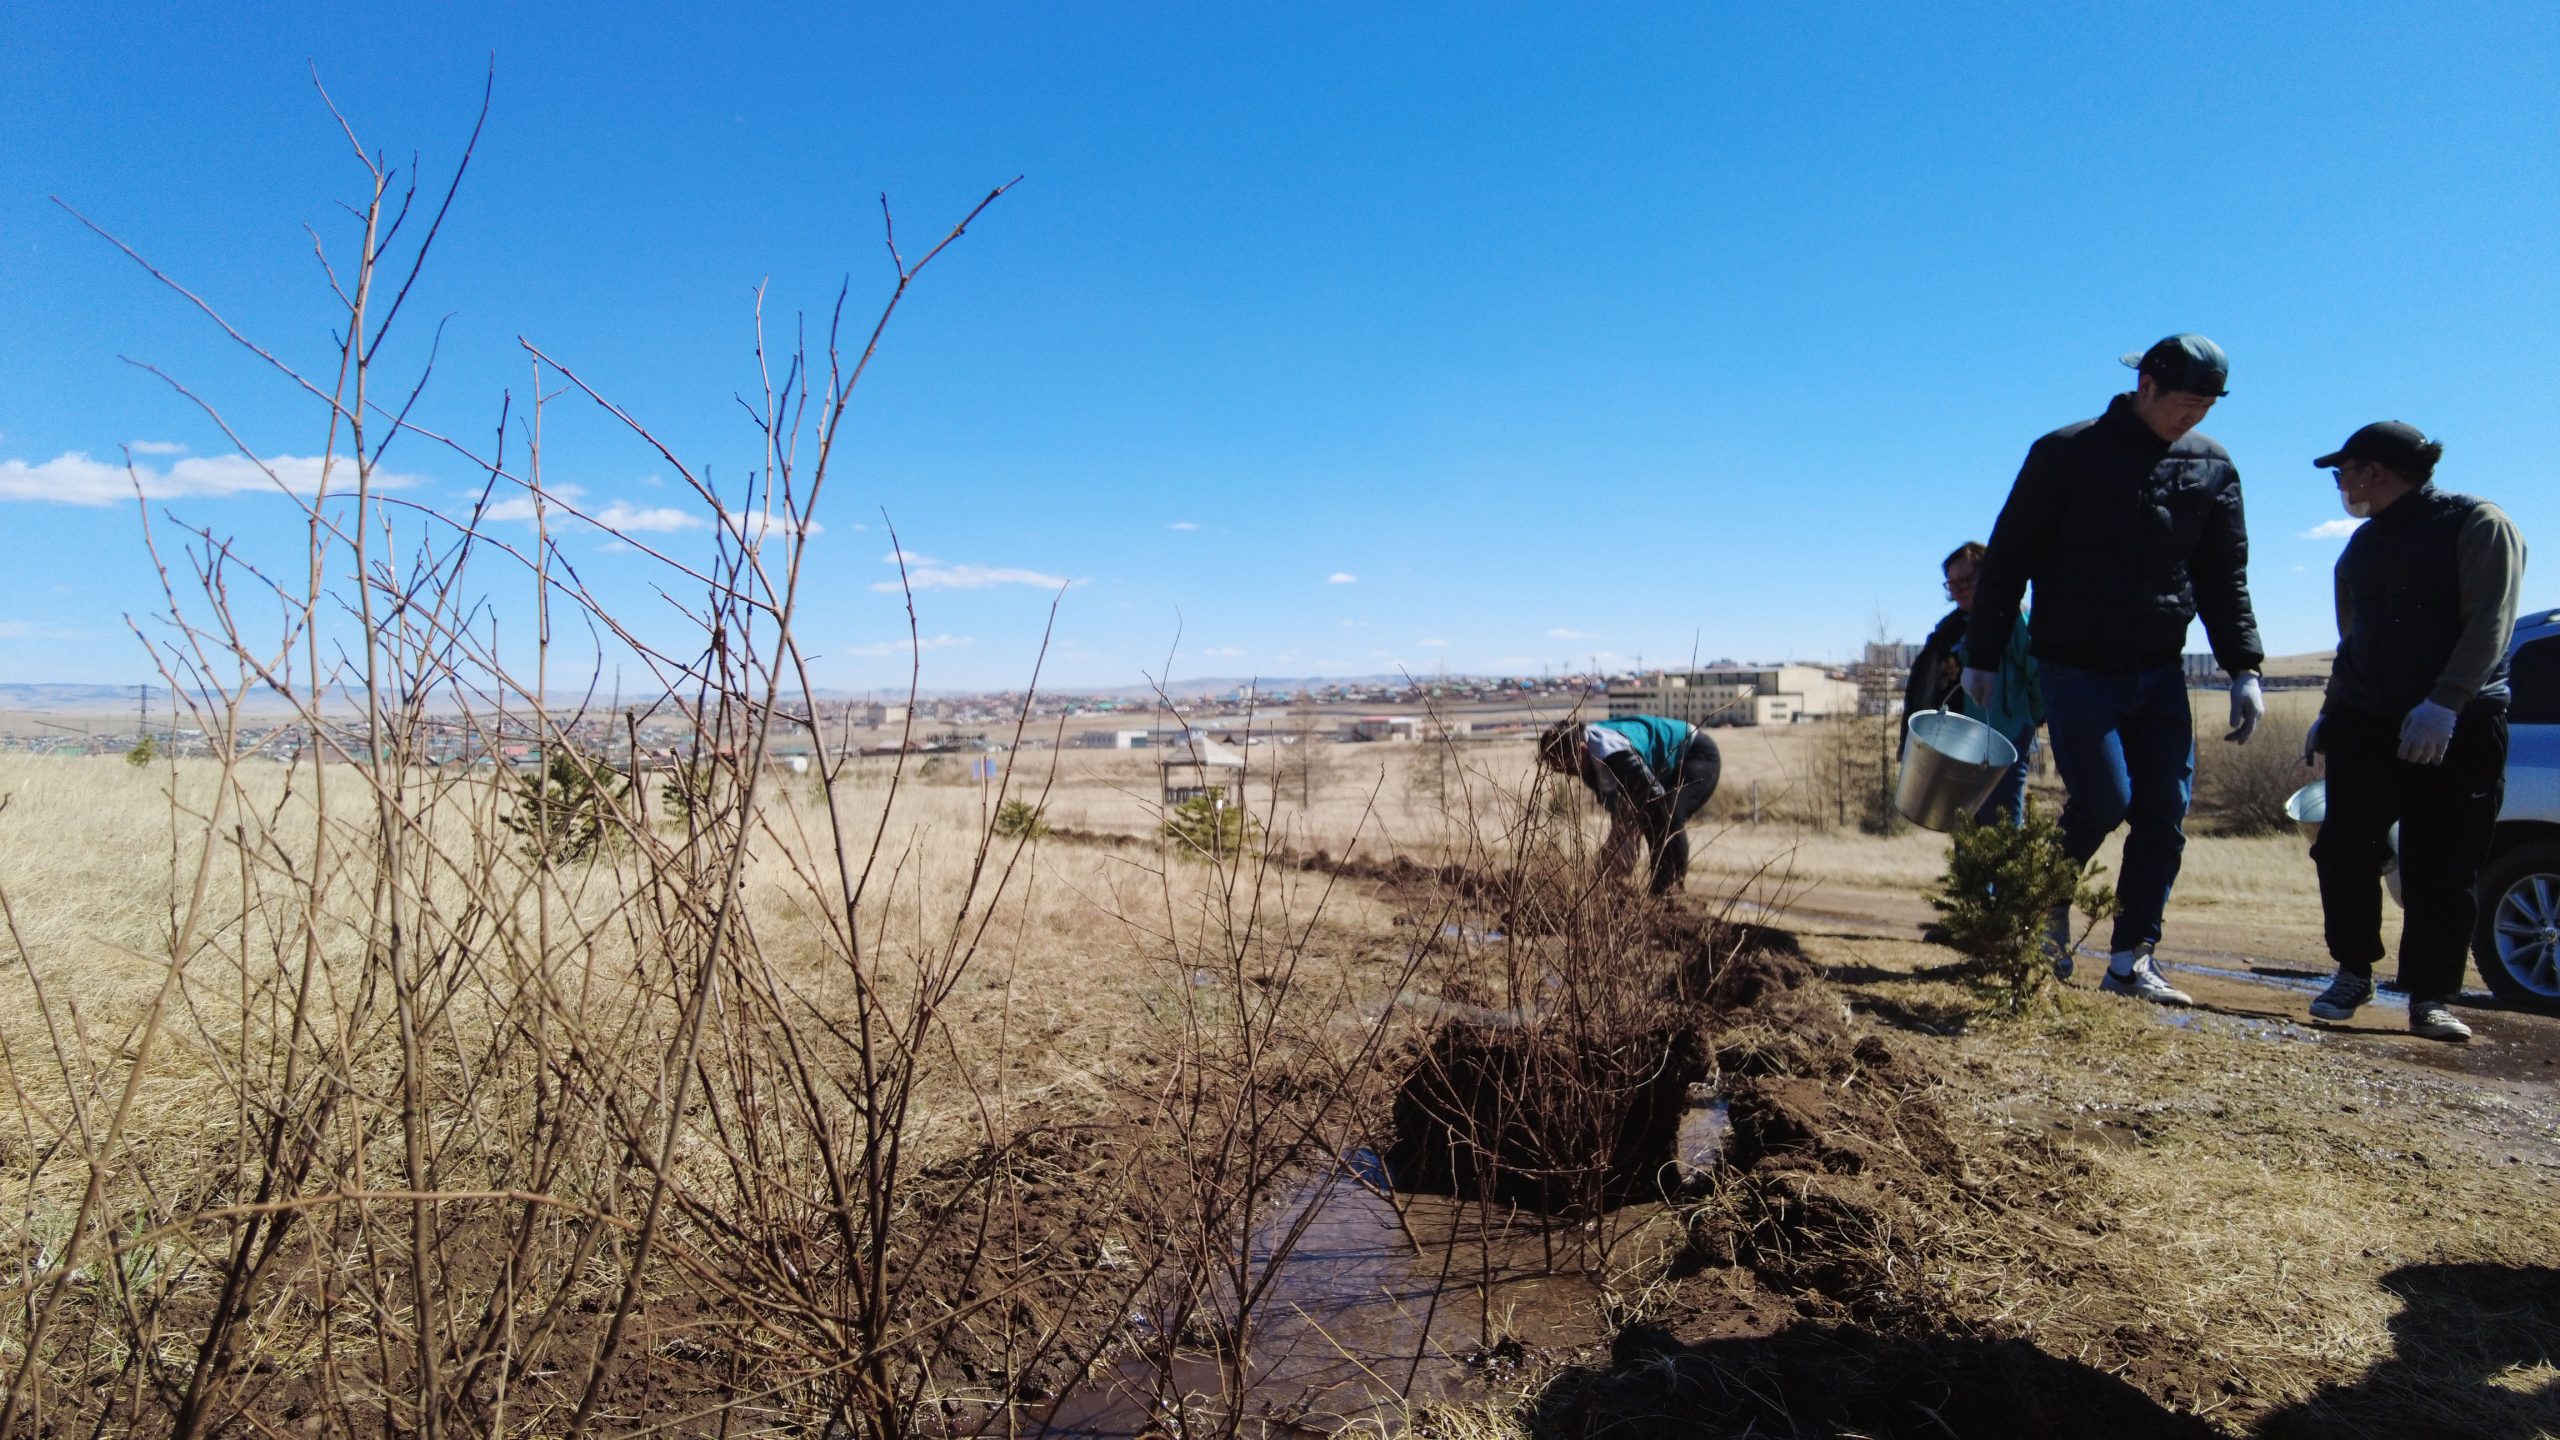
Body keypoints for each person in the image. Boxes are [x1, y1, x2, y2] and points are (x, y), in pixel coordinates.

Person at [1966, 334, 2266, 1003]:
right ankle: (2043, 903)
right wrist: (1981, 655)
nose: (2192, 417)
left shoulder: (2212, 466)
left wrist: (2244, 666)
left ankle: (2132, 959)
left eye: (2206, 407)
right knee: (2105, 798)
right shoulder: (2066, 453)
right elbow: (2008, 559)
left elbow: (2224, 576)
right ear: (2145, 387)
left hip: (2159, 667)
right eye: (2184, 403)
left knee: (2165, 812)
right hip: (2074, 664)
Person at [2301, 422, 2525, 1043]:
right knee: (2344, 847)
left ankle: (2430, 997)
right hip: (2367, 721)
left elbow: (2492, 623)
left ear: (2373, 472)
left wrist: (2446, 702)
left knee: (2443, 862)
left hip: (2458, 724)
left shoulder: (2477, 523)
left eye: (2344, 472)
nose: (2341, 485)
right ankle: (2353, 973)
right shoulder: (2361, 545)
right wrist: (2331, 709)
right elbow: (2353, 639)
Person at [1905, 541, 2042, 825]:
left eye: (1966, 581)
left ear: (1987, 576)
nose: (1958, 590)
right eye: (1951, 584)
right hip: (1957, 744)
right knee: (1964, 827)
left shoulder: (2013, 618)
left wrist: (2030, 720)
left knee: (2001, 823)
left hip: (2006, 737)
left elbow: (2039, 673)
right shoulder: (1949, 628)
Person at [1536, 714, 1722, 894]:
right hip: (1663, 769)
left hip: (1695, 754)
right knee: (1642, 822)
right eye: (1561, 771)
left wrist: (1659, 886)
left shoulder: (1612, 752)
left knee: (1668, 815)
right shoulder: (1590, 764)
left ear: (1581, 749)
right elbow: (1623, 821)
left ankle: (1670, 892)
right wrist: (1602, 877)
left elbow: (1655, 802)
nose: (1569, 774)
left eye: (1569, 767)